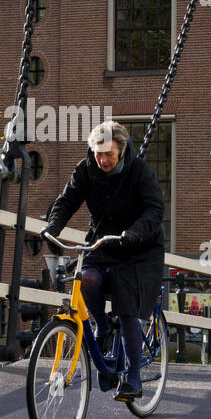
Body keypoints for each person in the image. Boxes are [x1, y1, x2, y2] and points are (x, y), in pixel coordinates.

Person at [42, 121, 165, 401]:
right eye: (98, 153)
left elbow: (155, 210)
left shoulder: (139, 172)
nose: (103, 160)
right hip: (103, 242)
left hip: (139, 248)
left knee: (126, 304)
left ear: (121, 150)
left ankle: (133, 375)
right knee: (87, 278)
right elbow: (66, 200)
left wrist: (133, 234)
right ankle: (101, 325)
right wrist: (53, 226)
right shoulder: (86, 170)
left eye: (108, 154)